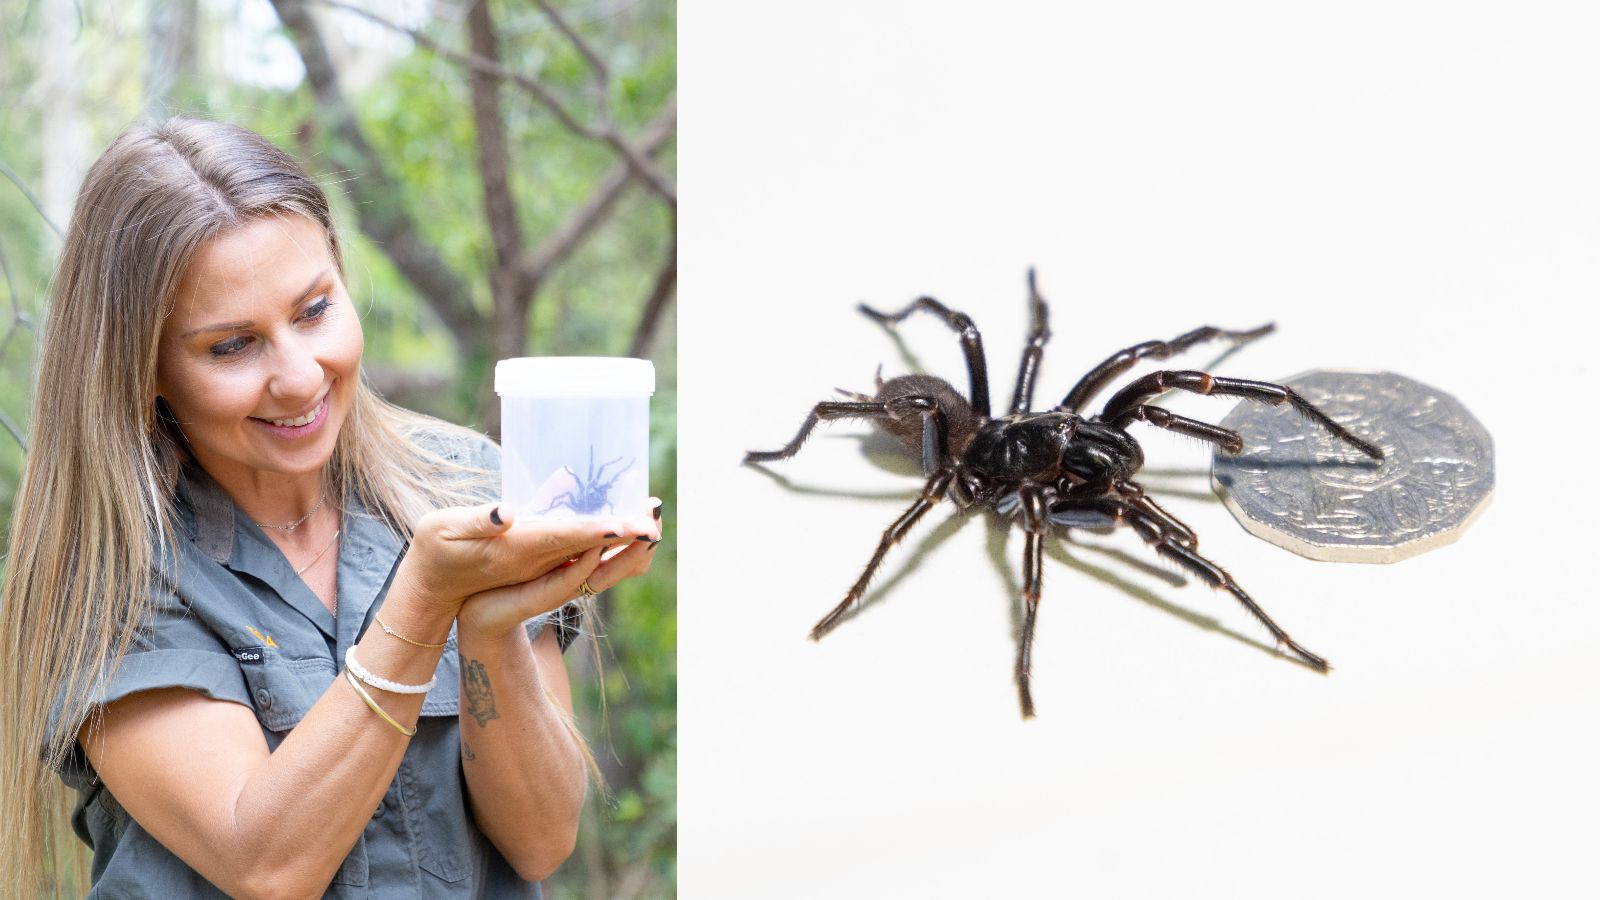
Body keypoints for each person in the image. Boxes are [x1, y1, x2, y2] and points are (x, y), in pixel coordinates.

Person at [0, 117, 661, 898]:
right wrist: (427, 601)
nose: (299, 376)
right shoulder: (111, 576)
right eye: (231, 346)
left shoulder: (467, 487)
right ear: (143, 368)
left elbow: (543, 841)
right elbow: (267, 865)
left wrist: (490, 623)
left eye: (313, 310)